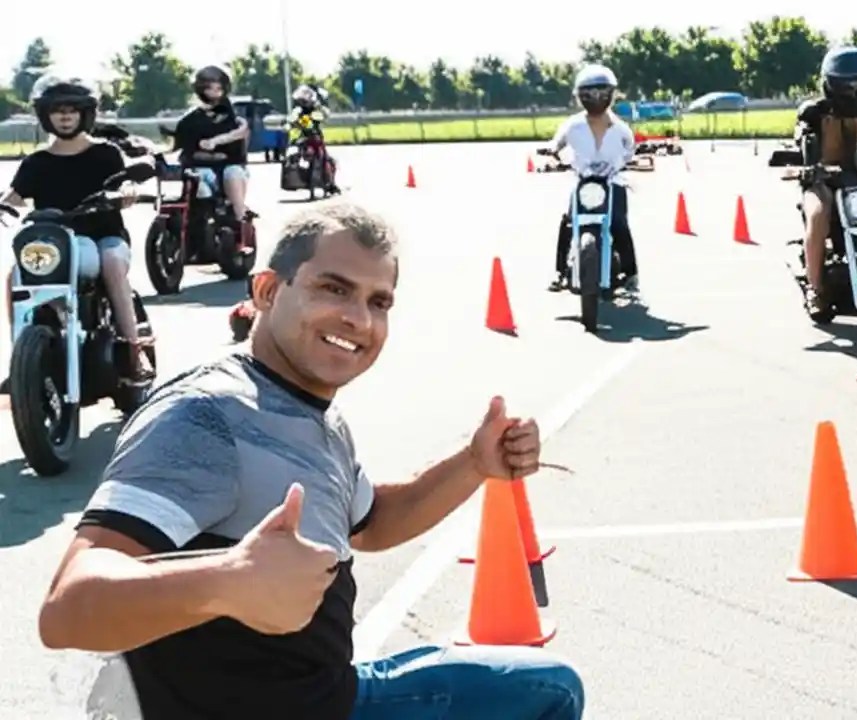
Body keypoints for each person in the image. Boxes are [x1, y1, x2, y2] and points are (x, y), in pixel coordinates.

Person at [37, 200, 586, 720]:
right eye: (334, 288)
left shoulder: (307, 407)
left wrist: (472, 464)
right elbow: (68, 609)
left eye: (379, 302)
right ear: (269, 290)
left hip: (323, 690)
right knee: (547, 692)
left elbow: (370, 524)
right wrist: (226, 580)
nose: (359, 319)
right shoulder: (206, 416)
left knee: (534, 680)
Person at [0, 70, 154, 388]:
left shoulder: (105, 152)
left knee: (111, 262)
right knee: (15, 273)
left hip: (104, 238)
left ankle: (132, 350)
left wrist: (127, 191)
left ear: (86, 113)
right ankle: (22, 359)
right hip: (56, 244)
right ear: (46, 115)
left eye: (73, 110)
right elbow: (12, 197)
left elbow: (124, 179)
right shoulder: (37, 161)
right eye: (58, 110)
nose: (66, 116)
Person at [793, 46, 857, 321]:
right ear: (830, 84)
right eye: (847, 85)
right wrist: (809, 167)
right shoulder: (813, 113)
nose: (854, 92)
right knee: (817, 213)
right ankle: (815, 287)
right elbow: (804, 143)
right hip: (821, 184)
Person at [544, 63, 639, 293]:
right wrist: (551, 152)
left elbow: (630, 150)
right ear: (580, 96)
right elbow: (556, 143)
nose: (596, 97)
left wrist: (629, 162)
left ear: (611, 94)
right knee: (568, 222)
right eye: (590, 93)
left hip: (612, 183)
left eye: (601, 92)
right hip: (583, 182)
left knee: (619, 223)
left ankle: (630, 273)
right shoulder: (573, 125)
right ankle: (559, 272)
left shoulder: (621, 129)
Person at [173, 65, 252, 226]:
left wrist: (215, 142)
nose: (214, 92)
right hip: (200, 168)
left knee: (233, 172)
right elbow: (183, 148)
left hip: (230, 167)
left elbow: (241, 133)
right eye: (209, 88)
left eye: (218, 88)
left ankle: (240, 219)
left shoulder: (233, 117)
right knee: (200, 179)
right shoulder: (190, 119)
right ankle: (199, 224)